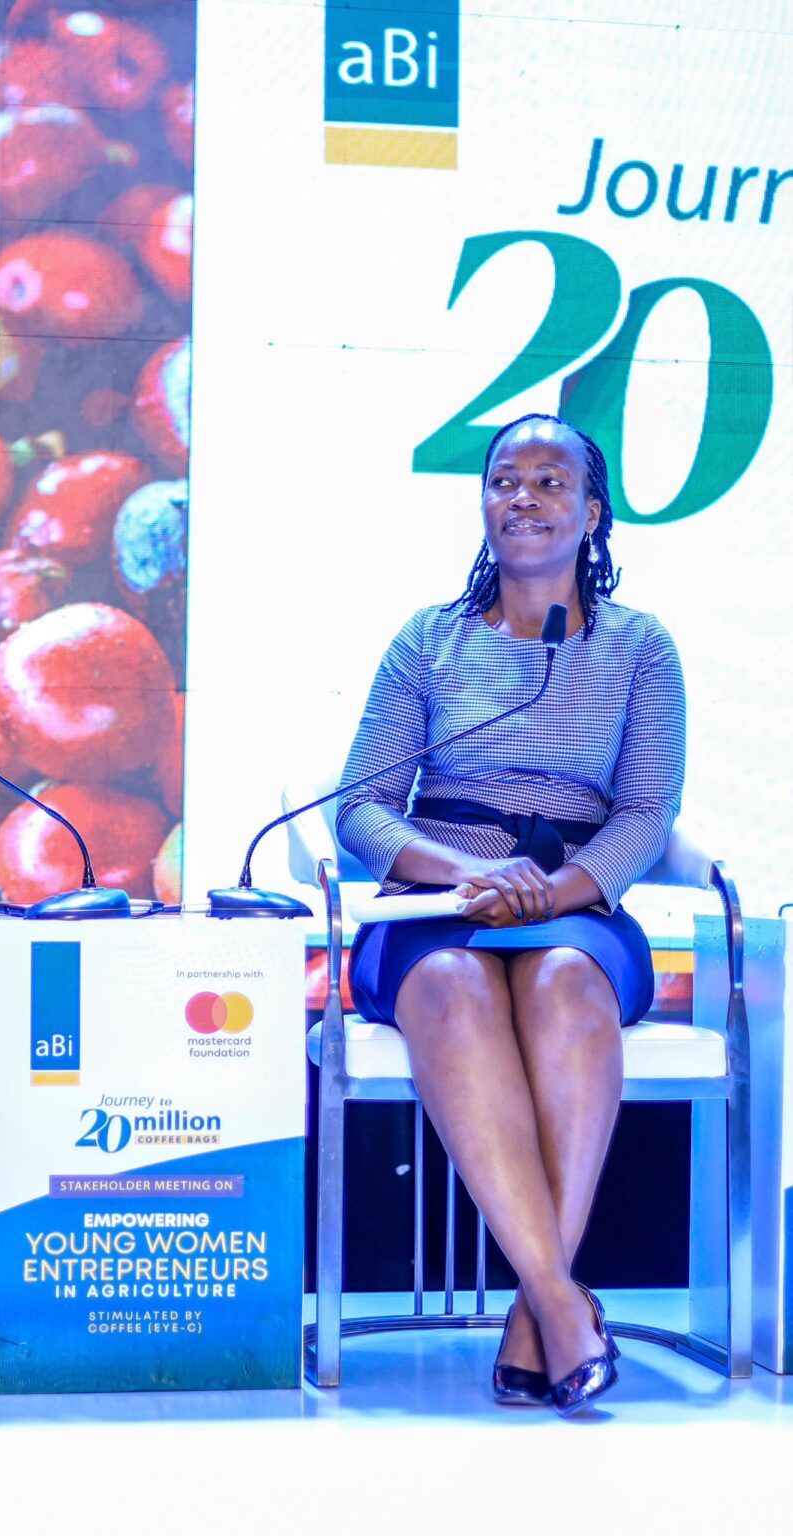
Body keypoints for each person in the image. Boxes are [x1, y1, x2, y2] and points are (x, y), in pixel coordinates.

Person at [336, 413, 684, 1416]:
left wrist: (555, 892)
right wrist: (457, 877)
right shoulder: (426, 640)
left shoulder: (638, 650)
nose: (521, 498)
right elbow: (360, 805)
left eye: (547, 481)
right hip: (435, 900)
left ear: (589, 511)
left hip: (570, 899)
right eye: (503, 480)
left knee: (565, 980)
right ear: (481, 502)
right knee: (448, 980)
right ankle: (559, 1307)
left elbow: (644, 814)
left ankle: (537, 1309)